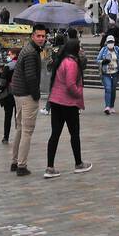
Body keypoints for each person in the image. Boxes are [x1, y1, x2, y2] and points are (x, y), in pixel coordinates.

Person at [44, 36, 92, 178]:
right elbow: (71, 84)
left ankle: (50, 167)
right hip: (68, 103)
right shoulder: (71, 63)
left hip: (56, 101)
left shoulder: (62, 61)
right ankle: (78, 163)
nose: (81, 49)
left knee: (55, 134)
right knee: (74, 134)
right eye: (80, 47)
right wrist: (79, 92)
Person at [10, 24, 49, 177]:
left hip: (18, 94)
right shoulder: (32, 53)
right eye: (38, 36)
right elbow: (31, 77)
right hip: (26, 95)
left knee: (20, 128)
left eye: (43, 36)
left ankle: (14, 161)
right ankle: (21, 165)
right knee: (27, 131)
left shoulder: (28, 49)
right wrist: (36, 95)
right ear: (32, 36)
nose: (41, 39)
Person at [98, 33, 119, 112]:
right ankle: (107, 106)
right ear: (106, 42)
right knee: (108, 88)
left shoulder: (117, 50)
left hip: (115, 72)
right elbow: (98, 60)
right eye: (109, 42)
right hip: (106, 73)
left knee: (113, 89)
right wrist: (103, 61)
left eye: (111, 41)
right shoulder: (103, 50)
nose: (110, 43)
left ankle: (111, 106)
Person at [0, 51, 17, 144]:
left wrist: (0, 88)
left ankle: (6, 137)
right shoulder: (21, 65)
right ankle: (19, 136)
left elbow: (2, 81)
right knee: (18, 117)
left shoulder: (8, 66)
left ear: (14, 55)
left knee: (8, 116)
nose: (8, 56)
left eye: (10, 54)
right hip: (19, 94)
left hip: (8, 94)